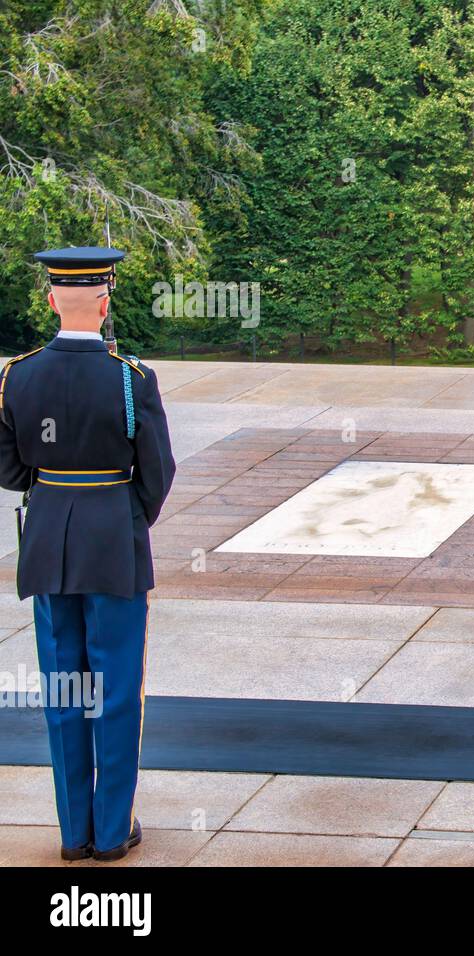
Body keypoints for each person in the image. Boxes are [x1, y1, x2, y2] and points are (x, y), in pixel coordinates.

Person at [0, 246, 175, 862]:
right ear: (106, 302)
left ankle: (73, 833)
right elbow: (156, 473)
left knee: (64, 686)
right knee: (117, 686)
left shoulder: (16, 375)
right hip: (113, 545)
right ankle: (111, 830)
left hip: (48, 543)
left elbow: (10, 467)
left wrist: (57, 496)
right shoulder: (131, 378)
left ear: (51, 299)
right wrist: (125, 520)